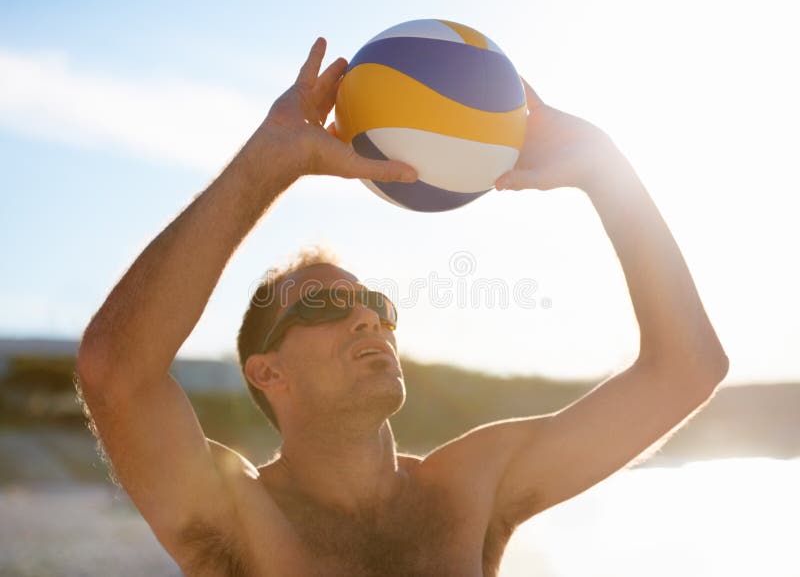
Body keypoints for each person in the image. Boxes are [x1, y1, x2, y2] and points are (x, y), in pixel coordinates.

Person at [75, 37, 729, 577]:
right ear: (268, 371)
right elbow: (116, 371)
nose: (369, 319)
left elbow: (689, 369)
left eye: (376, 303)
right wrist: (267, 165)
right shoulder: (241, 515)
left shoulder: (468, 489)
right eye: (328, 304)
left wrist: (602, 166)